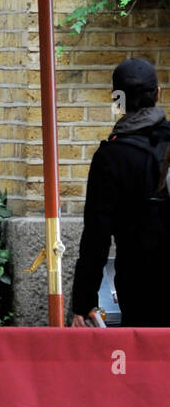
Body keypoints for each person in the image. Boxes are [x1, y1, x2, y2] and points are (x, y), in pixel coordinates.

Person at [71, 58, 170, 327]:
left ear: (117, 101)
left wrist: (83, 302)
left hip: (140, 286)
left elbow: (96, 238)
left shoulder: (110, 158)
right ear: (158, 94)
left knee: (146, 366)